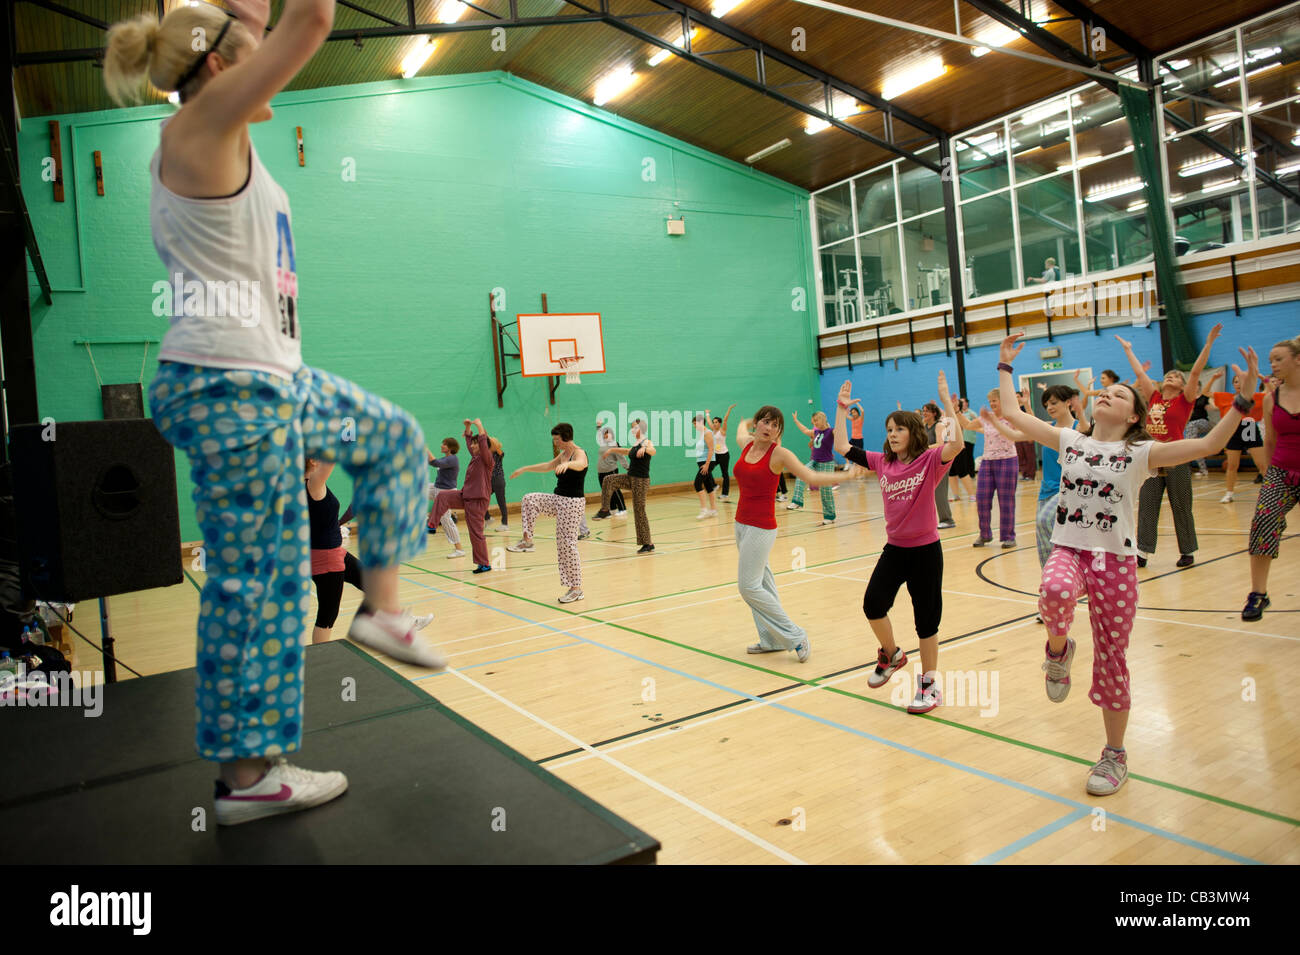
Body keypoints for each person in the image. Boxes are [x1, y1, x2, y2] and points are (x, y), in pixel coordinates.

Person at [105, 0, 445, 826]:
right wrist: (270, 24)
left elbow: (252, 19)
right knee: (258, 584)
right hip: (227, 384)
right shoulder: (196, 128)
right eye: (249, 40)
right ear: (222, 63)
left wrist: (238, 12)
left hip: (272, 379)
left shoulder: (226, 132)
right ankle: (249, 774)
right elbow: (314, 21)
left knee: (395, 437)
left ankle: (384, 613)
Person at [994, 332, 1259, 795]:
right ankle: (1058, 652)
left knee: (1112, 658)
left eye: (1117, 394)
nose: (1106, 395)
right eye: (1104, 392)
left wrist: (1241, 401)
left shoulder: (1141, 452)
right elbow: (1013, 414)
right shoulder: (1070, 439)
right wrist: (1004, 365)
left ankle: (1114, 754)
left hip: (1115, 560)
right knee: (1054, 592)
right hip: (1070, 548)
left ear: (1133, 415)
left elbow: (1208, 444)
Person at [833, 376, 962, 712]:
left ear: (913, 433)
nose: (892, 434)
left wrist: (947, 403)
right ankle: (891, 654)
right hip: (895, 550)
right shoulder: (881, 462)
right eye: (889, 429)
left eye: (899, 429)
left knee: (926, 620)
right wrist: (840, 409)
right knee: (873, 604)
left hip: (925, 552)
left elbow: (956, 445)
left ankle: (929, 685)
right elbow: (842, 447)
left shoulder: (930, 461)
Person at [1116, 323, 1220, 567]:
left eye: (1175, 376)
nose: (1169, 377)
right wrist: (1128, 349)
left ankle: (1187, 551)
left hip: (1176, 456)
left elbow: (1195, 373)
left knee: (1181, 504)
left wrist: (1208, 344)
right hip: (1151, 456)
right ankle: (1142, 552)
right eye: (1167, 375)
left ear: (1183, 385)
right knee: (1148, 505)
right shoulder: (1154, 397)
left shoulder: (1186, 400)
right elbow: (1140, 375)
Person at [732, 411, 827, 662]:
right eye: (765, 422)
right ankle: (770, 639)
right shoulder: (748, 445)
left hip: (761, 527)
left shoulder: (779, 454)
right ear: (757, 424)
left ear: (778, 432)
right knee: (763, 582)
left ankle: (796, 635)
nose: (769, 427)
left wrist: (846, 475)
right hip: (741, 524)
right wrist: (740, 421)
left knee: (748, 587)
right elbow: (741, 433)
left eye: (775, 425)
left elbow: (810, 476)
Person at [306, 456, 433, 643]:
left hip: (333, 553)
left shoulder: (303, 485)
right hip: (326, 559)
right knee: (327, 616)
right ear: (312, 462)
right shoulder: (313, 485)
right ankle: (321, 660)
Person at [1242, 338, 1300, 621]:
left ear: (1297, 359)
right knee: (1263, 523)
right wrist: (1267, 474)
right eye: (1270, 360)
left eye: (1278, 359)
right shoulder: (1270, 399)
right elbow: (1271, 440)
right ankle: (1258, 594)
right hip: (1280, 472)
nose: (1273, 364)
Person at [507, 423, 588, 604]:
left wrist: (568, 464)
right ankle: (527, 540)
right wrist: (525, 468)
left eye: (557, 439)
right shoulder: (563, 455)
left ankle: (576, 589)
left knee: (567, 544)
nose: (555, 443)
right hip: (558, 500)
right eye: (554, 439)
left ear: (566, 437)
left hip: (572, 504)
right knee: (529, 499)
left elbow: (581, 463)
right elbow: (547, 466)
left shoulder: (577, 453)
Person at [953, 389, 1021, 547]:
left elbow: (1029, 422)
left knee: (1006, 500)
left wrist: (1025, 405)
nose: (992, 403)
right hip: (987, 461)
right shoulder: (986, 418)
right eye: (990, 401)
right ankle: (985, 534)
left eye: (995, 400)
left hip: (1007, 460)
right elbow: (968, 425)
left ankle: (1008, 536)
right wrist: (956, 410)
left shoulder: (1011, 417)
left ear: (1003, 401)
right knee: (982, 498)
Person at [429, 419, 494, 573]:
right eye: (472, 443)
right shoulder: (476, 458)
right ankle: (431, 525)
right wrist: (467, 428)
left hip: (477, 501)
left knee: (475, 533)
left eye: (475, 443)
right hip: (465, 495)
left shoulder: (487, 460)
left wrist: (479, 426)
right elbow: (469, 443)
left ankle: (484, 564)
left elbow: (483, 444)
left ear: (483, 446)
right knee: (442, 496)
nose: (472, 446)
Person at [596, 420, 656, 554]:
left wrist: (645, 449)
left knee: (639, 511)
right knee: (609, 480)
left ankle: (648, 543)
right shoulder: (636, 444)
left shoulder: (646, 442)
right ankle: (605, 510)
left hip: (641, 481)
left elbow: (653, 450)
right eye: (632, 428)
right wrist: (612, 449)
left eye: (635, 428)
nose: (633, 430)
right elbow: (627, 451)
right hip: (631, 478)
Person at [1212, 373, 1268, 502]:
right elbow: (1205, 392)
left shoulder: (1255, 397)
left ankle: (1271, 492)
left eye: (1241, 381)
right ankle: (1229, 493)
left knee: (1262, 464)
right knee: (1232, 465)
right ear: (1233, 385)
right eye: (1236, 382)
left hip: (1249, 427)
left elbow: (1271, 391)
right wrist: (1214, 379)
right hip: (1233, 430)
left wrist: (1262, 378)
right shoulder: (1227, 397)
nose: (1239, 384)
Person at [787, 411, 836, 526]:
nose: (814, 423)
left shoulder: (831, 432)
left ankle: (830, 516)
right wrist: (796, 421)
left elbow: (840, 431)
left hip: (826, 463)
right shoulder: (816, 432)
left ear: (823, 419)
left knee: (826, 491)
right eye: (813, 422)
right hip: (814, 461)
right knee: (801, 473)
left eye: (816, 420)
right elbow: (805, 430)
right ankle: (797, 501)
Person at [920, 402, 956, 529]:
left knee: (940, 491)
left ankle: (947, 519)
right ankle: (928, 519)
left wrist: (923, 449)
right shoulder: (924, 426)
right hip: (929, 460)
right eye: (923, 410)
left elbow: (940, 444)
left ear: (934, 413)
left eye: (926, 411)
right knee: (928, 491)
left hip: (941, 460)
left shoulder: (939, 426)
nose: (924, 413)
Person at [1184, 370, 1221, 477]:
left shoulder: (1204, 398)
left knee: (1192, 427)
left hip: (1204, 423)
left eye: (1196, 385)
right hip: (1192, 426)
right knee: (1194, 445)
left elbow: (1213, 407)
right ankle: (1203, 469)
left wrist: (1221, 406)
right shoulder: (1188, 400)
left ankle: (1188, 453)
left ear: (1199, 387)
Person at [426, 436, 461, 545]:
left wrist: (425, 448)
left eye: (444, 444)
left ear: (450, 447)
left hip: (446, 493)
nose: (441, 445)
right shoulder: (446, 458)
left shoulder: (453, 459)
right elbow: (432, 462)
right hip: (437, 488)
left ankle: (459, 549)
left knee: (445, 520)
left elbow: (435, 462)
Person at [592, 418, 627, 519]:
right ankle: (612, 509)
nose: (605, 435)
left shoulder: (614, 444)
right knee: (606, 492)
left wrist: (628, 468)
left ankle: (622, 509)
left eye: (607, 433)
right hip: (601, 471)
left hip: (611, 470)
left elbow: (621, 457)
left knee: (615, 490)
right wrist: (599, 426)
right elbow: (599, 434)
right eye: (604, 434)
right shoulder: (603, 443)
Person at [691, 414, 719, 519]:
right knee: (709, 486)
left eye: (695, 424)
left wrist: (707, 464)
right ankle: (713, 510)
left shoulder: (707, 433)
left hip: (707, 463)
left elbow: (711, 449)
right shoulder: (701, 434)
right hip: (702, 462)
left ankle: (704, 510)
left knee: (697, 483)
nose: (694, 426)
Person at [709, 405, 737, 501]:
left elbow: (725, 420)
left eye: (716, 422)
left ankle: (725, 494)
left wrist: (729, 409)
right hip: (716, 455)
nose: (714, 424)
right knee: (707, 469)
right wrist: (707, 414)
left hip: (724, 455)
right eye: (714, 422)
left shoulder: (722, 430)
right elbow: (708, 422)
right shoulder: (713, 430)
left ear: (719, 423)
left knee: (725, 474)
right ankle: (714, 485)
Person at [488, 436, 508, 531]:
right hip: (489, 481)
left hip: (498, 480)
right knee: (480, 499)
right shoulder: (487, 454)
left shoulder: (499, 454)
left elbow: (495, 445)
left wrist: (486, 435)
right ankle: (488, 518)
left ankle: (505, 524)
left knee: (501, 502)